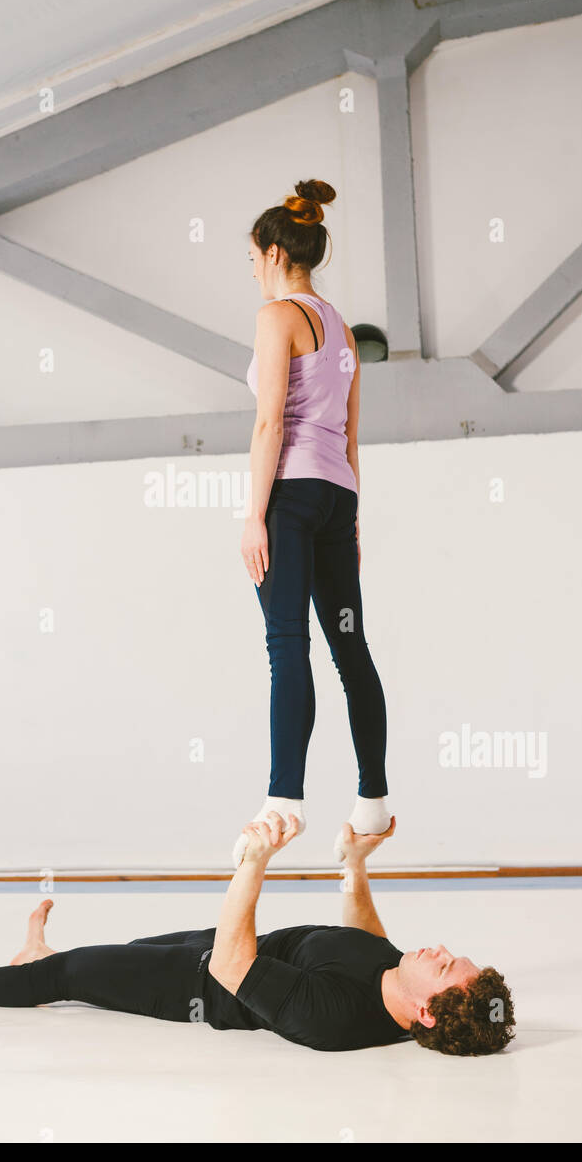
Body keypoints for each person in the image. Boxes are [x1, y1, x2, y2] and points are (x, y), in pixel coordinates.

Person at [0, 814, 514, 1056]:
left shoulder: (336, 1021)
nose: (437, 949)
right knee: (112, 956)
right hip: (233, 948)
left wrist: (255, 861)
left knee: (71, 975)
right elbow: (366, 943)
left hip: (204, 977)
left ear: (426, 1013)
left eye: (443, 965)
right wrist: (354, 864)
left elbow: (230, 966)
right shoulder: (392, 976)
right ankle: (41, 959)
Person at [238, 177, 389, 867]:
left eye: (251, 259)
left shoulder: (279, 319)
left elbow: (271, 420)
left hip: (292, 496)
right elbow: (353, 432)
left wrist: (253, 516)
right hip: (337, 498)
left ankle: (284, 801)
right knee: (350, 651)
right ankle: (373, 800)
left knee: (285, 644)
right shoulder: (344, 330)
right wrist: (351, 518)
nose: (253, 273)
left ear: (273, 252)